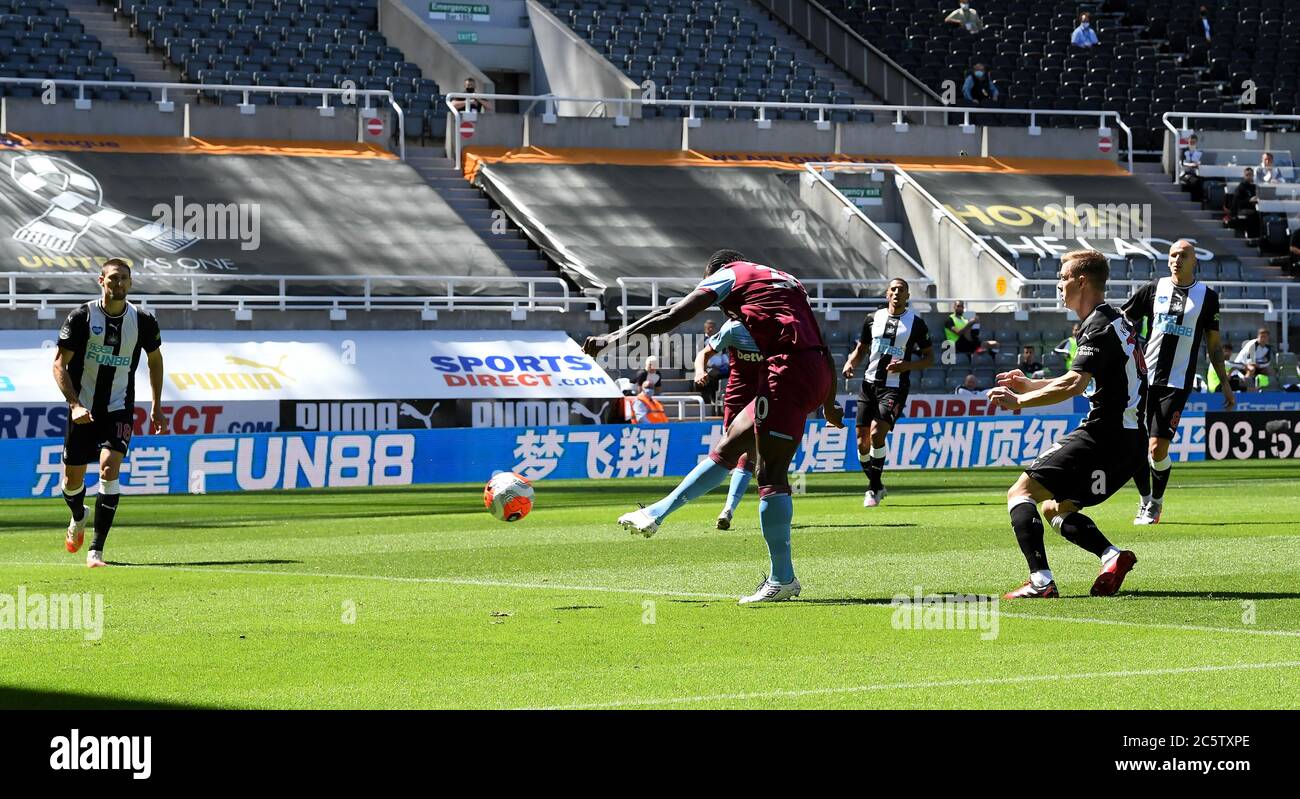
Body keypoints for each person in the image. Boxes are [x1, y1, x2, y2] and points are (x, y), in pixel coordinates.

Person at [584, 250, 843, 604]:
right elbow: (822, 346)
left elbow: (671, 315)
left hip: (788, 372)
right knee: (729, 445)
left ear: (714, 272)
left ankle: (783, 579)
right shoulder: (785, 280)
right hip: (806, 371)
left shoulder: (730, 274)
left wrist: (612, 339)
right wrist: (828, 403)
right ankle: (657, 513)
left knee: (770, 476)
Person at [987, 249, 1142, 599]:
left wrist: (1021, 401)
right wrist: (1032, 385)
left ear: (1081, 281)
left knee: (1020, 493)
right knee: (1054, 507)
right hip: (1129, 445)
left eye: (1063, 277)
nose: (1059, 284)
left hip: (1103, 436)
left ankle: (1041, 582)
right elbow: (1086, 378)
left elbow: (1073, 385)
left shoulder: (1097, 327)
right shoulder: (1115, 322)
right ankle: (1112, 557)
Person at [53, 259, 168, 568]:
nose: (118, 284)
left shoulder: (143, 320)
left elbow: (155, 361)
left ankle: (96, 551)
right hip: (84, 409)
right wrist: (75, 404)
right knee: (71, 481)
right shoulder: (82, 317)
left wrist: (156, 406)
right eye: (113, 278)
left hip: (118, 408)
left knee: (108, 468)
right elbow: (59, 364)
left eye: (124, 279)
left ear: (130, 284)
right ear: (100, 280)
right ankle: (79, 516)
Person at [1122, 239, 1235, 525]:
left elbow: (1214, 345)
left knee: (1156, 448)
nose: (1176, 260)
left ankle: (1156, 503)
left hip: (1176, 381)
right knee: (1135, 445)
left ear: (1194, 260)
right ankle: (1145, 499)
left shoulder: (1207, 297)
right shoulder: (1153, 289)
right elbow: (1123, 322)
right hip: (1143, 378)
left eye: (1182, 255)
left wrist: (1225, 383)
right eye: (1172, 255)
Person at [841, 279, 934, 507]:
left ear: (907, 295)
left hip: (895, 387)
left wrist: (906, 366)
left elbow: (930, 358)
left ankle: (872, 489)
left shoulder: (917, 324)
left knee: (876, 435)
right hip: (868, 384)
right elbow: (862, 348)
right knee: (862, 444)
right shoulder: (873, 318)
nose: (896, 293)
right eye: (893, 289)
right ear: (887, 294)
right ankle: (878, 484)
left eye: (901, 290)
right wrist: (850, 362)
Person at [693, 318, 764, 530]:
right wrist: (699, 371)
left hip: (761, 397)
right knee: (730, 453)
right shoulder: (733, 328)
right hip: (736, 396)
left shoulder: (771, 325)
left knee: (748, 453)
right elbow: (703, 355)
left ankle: (728, 509)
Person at [1226, 166, 1260, 238]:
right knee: (1253, 214)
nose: (1249, 177)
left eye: (1250, 175)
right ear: (1244, 176)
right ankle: (1252, 236)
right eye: (1247, 175)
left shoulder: (1254, 187)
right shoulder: (1241, 187)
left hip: (1254, 207)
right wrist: (1249, 200)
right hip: (1242, 209)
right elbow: (1237, 202)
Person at [1179, 134, 1204, 202]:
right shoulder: (1184, 150)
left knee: (1202, 181)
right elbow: (1182, 163)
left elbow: (1201, 162)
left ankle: (1200, 201)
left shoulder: (1199, 152)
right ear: (1188, 142)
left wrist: (1198, 164)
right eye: (1191, 142)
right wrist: (1191, 165)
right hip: (1185, 173)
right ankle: (1195, 200)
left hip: (1196, 173)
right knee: (1195, 181)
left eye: (1194, 142)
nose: (1192, 144)